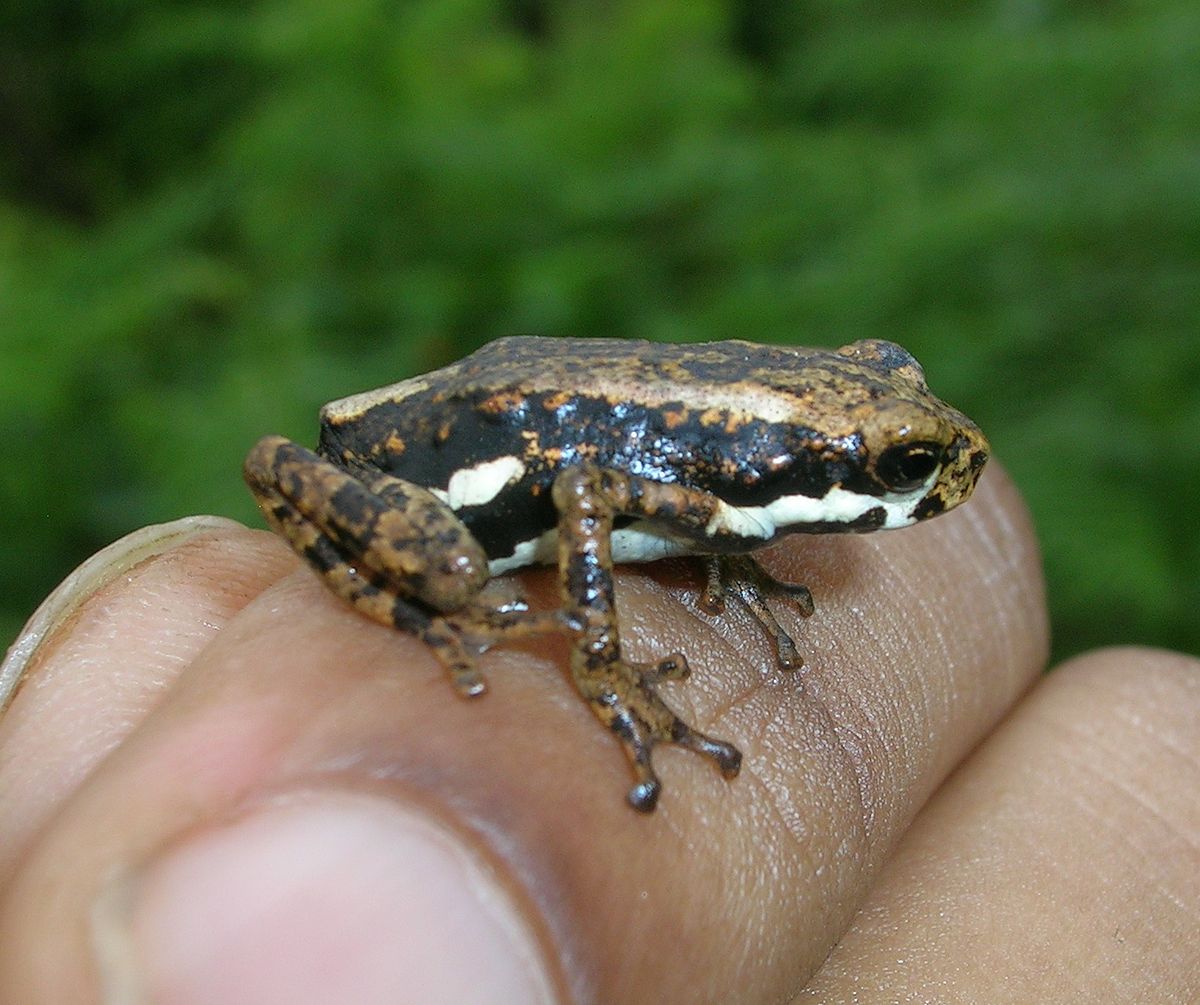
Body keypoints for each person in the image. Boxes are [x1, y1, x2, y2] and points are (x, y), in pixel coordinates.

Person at [0, 466, 1195, 1003]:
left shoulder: (713, 491)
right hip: (428, 475)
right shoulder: (681, 485)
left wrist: (727, 552)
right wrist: (601, 656)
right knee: (465, 571)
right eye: (897, 471)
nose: (942, 484)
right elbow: (583, 499)